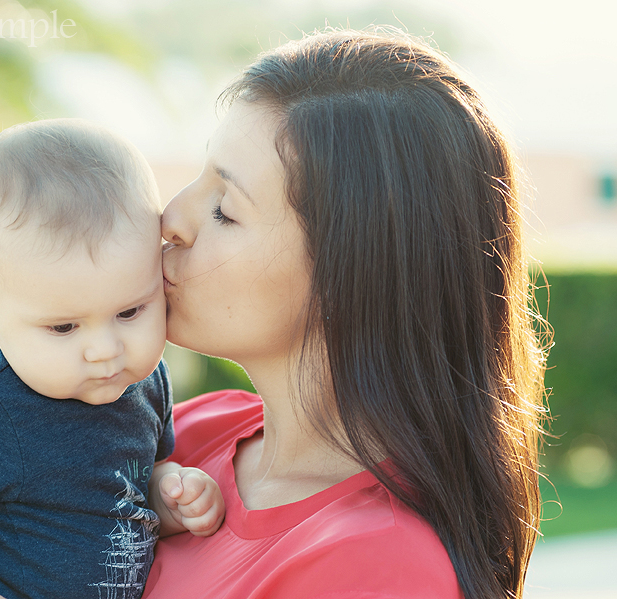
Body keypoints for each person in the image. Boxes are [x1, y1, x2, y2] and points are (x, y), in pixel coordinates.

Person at [144, 29, 547, 599]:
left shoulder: (377, 565)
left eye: (224, 211)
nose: (171, 219)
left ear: (352, 272)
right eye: (199, 178)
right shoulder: (186, 431)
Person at [0, 119, 225, 599]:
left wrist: (172, 494)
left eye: (129, 312)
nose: (105, 350)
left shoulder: (144, 382)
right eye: (64, 328)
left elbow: (128, 490)